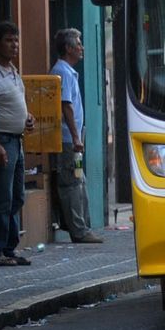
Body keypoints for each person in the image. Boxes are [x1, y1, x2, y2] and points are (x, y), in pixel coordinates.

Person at [0, 22, 36, 266]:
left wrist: (27, 118)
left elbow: (16, 103)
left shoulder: (12, 70)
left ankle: (9, 248)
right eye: (9, 40)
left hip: (16, 139)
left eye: (16, 40)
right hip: (1, 140)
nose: (15, 45)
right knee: (2, 198)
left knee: (17, 197)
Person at [50, 29, 102, 244]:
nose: (82, 48)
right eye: (78, 44)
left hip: (74, 138)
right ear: (69, 48)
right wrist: (76, 137)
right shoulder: (62, 71)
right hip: (68, 140)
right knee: (71, 183)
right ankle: (78, 230)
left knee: (78, 180)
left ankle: (82, 227)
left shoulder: (67, 71)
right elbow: (66, 106)